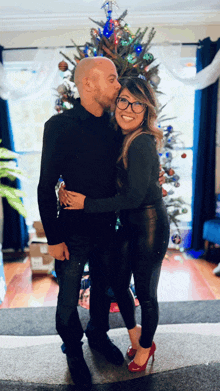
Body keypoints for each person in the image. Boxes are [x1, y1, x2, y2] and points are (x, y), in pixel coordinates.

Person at [59, 76, 170, 374]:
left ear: (146, 111)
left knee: (146, 294)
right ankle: (136, 335)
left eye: (138, 104)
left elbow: (133, 196)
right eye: (124, 100)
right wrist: (63, 183)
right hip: (127, 224)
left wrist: (87, 204)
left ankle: (145, 347)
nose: (129, 108)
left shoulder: (142, 142)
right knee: (119, 284)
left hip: (149, 224)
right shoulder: (119, 135)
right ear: (116, 101)